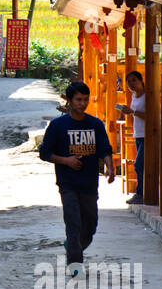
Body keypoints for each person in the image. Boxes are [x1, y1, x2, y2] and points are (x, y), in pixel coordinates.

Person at [39, 80, 115, 275]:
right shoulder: (58, 125)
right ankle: (75, 264)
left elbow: (105, 148)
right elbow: (44, 153)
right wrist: (66, 161)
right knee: (73, 223)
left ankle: (73, 246)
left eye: (85, 100)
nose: (83, 104)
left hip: (89, 183)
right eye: (79, 100)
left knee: (90, 226)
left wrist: (109, 166)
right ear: (69, 101)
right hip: (68, 183)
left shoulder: (95, 124)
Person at [116, 70, 145, 203]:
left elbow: (153, 115)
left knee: (139, 164)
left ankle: (141, 194)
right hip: (138, 133)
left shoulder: (147, 96)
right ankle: (142, 193)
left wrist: (133, 111)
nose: (131, 84)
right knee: (140, 164)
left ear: (141, 80)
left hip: (147, 135)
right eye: (129, 81)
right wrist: (129, 111)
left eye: (134, 80)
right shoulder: (134, 96)